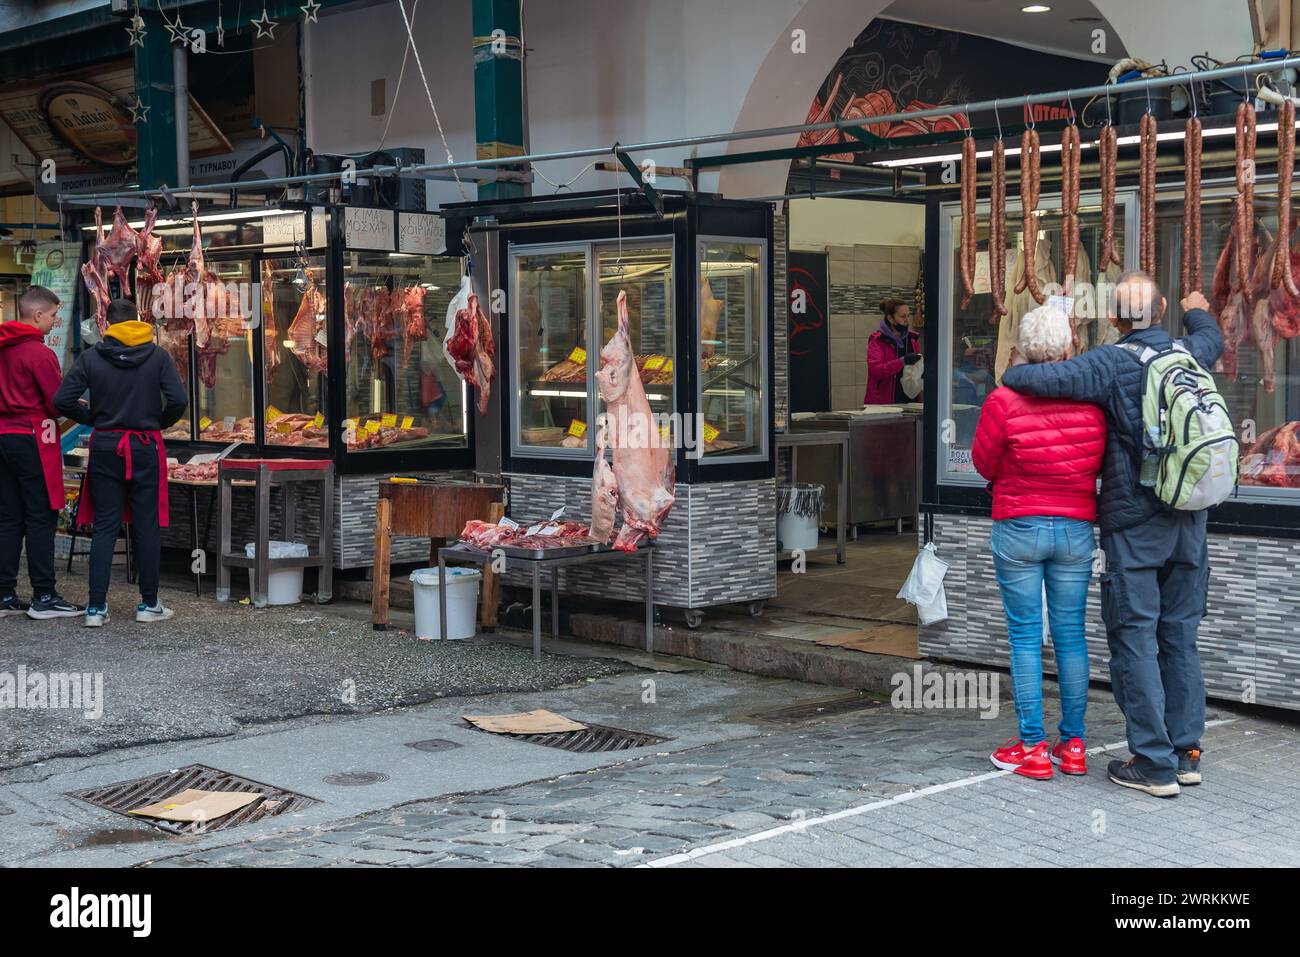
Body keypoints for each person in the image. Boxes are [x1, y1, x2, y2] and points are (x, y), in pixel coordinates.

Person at [1001, 272, 1222, 798]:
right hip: (1191, 522)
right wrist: (1194, 309)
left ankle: (1152, 762)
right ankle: (1187, 751)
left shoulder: (1110, 362)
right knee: (1179, 636)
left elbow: (1032, 380)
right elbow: (1211, 338)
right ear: (1162, 308)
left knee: (1136, 637)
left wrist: (1023, 360)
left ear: (1115, 319)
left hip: (1135, 526)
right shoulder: (1189, 352)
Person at [974, 304, 1105, 780]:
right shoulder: (1092, 401)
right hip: (1074, 528)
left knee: (1026, 637)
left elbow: (984, 463)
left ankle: (1032, 748)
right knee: (1071, 636)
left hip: (1019, 525)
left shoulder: (1002, 401)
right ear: (1070, 345)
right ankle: (1072, 745)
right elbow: (1100, 464)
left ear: (1022, 349)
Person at [55, 298, 187, 627]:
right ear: (139, 320)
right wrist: (158, 421)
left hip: (105, 445)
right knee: (146, 525)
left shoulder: (91, 357)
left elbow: (62, 400)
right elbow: (179, 400)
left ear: (107, 324)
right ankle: (149, 604)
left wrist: (94, 417)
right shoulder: (157, 357)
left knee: (105, 526)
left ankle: (96, 609)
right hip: (144, 445)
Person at [0, 287, 83, 619]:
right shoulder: (37, 352)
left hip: (2, 436)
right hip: (32, 437)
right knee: (41, 515)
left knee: (8, 517)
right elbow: (56, 402)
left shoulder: (3, 348)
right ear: (36, 315)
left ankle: (4, 593)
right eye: (51, 316)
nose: (53, 322)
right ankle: (44, 595)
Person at [864, 298, 921, 405]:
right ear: (890, 318)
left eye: (908, 315)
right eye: (903, 316)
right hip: (883, 404)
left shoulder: (912, 340)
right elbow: (876, 371)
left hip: (910, 402)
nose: (907, 320)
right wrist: (902, 361)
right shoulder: (878, 341)